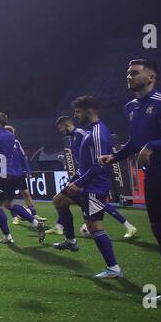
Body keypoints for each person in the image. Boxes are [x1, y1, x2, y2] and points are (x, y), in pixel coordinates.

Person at [100, 59, 161, 308]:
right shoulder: (130, 107)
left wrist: (154, 145)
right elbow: (136, 142)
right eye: (128, 73)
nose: (129, 77)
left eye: (135, 73)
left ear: (152, 77)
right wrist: (115, 157)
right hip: (153, 178)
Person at [51, 96, 123, 278]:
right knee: (59, 200)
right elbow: (88, 162)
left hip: (93, 186)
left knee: (94, 227)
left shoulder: (98, 132)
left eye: (77, 111)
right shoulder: (90, 131)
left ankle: (113, 268)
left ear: (88, 110)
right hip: (84, 181)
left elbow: (100, 164)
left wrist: (79, 182)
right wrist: (76, 178)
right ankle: (70, 240)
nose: (75, 116)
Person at [0, 113, 48, 245]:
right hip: (15, 175)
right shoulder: (12, 137)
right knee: (9, 204)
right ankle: (36, 222)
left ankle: (7, 236)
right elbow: (21, 156)